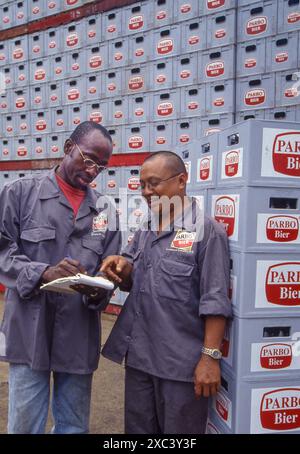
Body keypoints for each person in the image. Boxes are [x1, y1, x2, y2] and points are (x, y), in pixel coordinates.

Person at [0, 121, 121, 434]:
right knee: (25, 424)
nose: (94, 171)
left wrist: (100, 290)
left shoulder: (105, 210)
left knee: (73, 425)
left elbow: (109, 269)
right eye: (89, 159)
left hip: (78, 330)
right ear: (69, 148)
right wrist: (42, 272)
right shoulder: (20, 194)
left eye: (102, 166)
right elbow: (2, 252)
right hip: (30, 329)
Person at [100, 151, 232, 434]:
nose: (147, 192)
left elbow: (215, 299)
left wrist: (209, 358)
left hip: (180, 368)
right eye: (143, 185)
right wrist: (121, 267)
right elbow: (131, 276)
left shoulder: (207, 232)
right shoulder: (146, 227)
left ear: (181, 180)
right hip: (139, 358)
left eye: (154, 183)